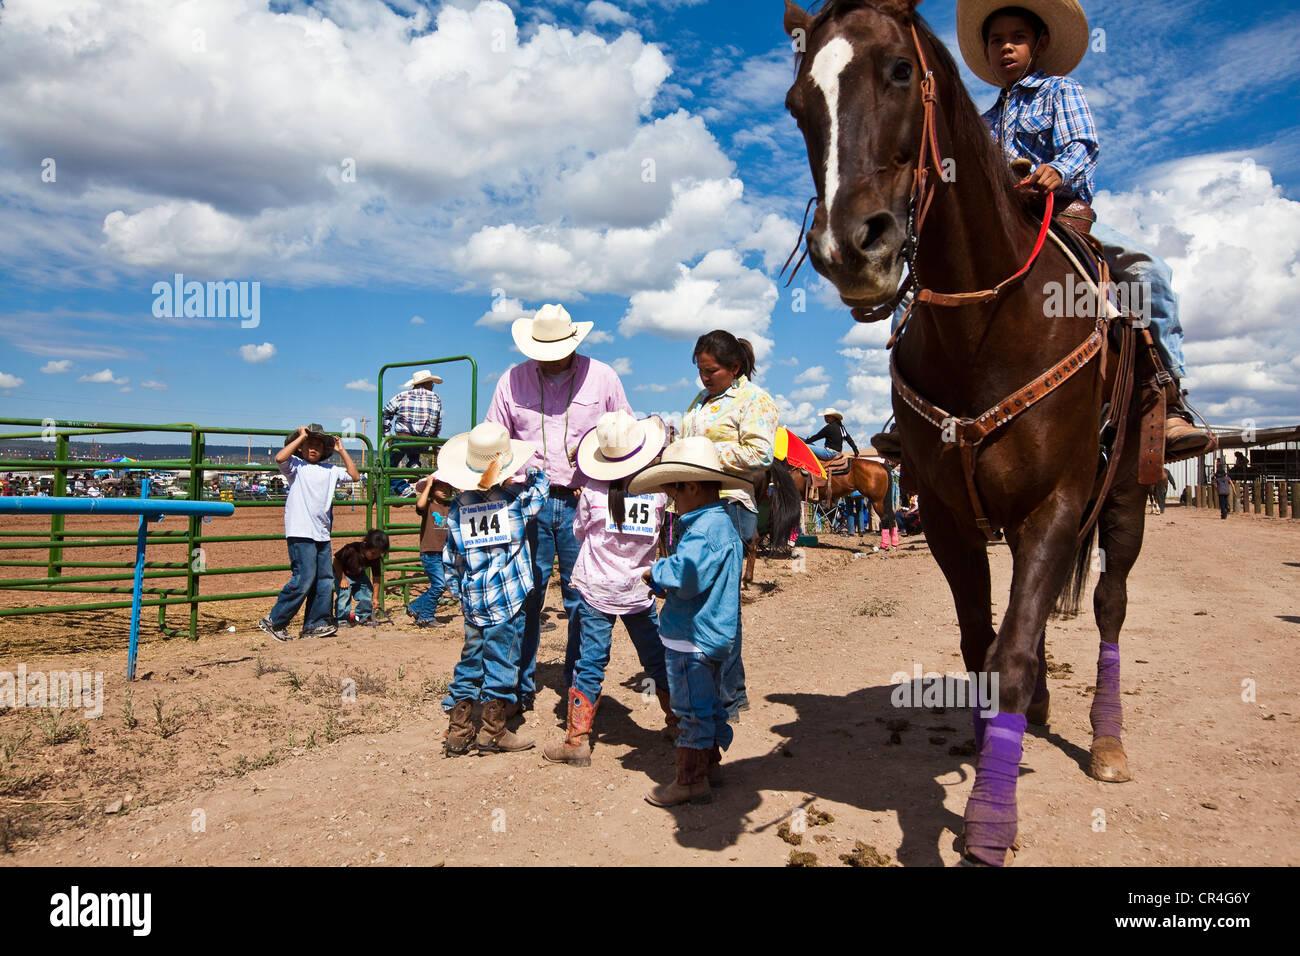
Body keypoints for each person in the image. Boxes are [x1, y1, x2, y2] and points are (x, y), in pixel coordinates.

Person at [875, 0, 1216, 465]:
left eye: (1016, 38)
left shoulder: (1060, 91)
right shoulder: (983, 121)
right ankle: (907, 412)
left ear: (1040, 44)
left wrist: (1058, 169)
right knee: (919, 289)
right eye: (996, 41)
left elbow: (1083, 145)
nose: (1005, 48)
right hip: (998, 227)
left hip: (1059, 212)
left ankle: (1169, 395)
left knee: (1147, 270)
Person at [486, 304, 633, 711]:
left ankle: (578, 688)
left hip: (583, 501)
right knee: (522, 595)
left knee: (583, 598)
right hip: (524, 502)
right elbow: (495, 439)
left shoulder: (603, 378)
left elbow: (627, 436)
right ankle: (515, 689)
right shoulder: (511, 381)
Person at [543, 411, 675, 767]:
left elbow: (580, 533)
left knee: (591, 661)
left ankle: (577, 741)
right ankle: (679, 724)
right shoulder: (658, 496)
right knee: (656, 659)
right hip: (639, 590)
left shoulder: (593, 494)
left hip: (598, 590)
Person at [631, 437, 747, 806]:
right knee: (707, 703)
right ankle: (709, 765)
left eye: (674, 493)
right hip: (715, 634)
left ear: (692, 487)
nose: (671, 501)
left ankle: (691, 779)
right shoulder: (722, 524)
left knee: (690, 710)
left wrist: (655, 572)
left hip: (690, 636)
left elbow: (688, 574)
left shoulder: (702, 530)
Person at [681, 330, 779, 721]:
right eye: (700, 371)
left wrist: (702, 454)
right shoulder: (699, 402)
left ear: (734, 368)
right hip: (694, 509)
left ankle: (725, 697)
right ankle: (728, 692)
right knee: (702, 604)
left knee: (720, 607)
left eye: (711, 371)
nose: (704, 378)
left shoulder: (755, 401)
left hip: (728, 509)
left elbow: (759, 453)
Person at [438, 422, 548, 756]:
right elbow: (542, 488)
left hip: (475, 600)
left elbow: (451, 558)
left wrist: (458, 591)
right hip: (508, 600)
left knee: (470, 661)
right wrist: (530, 473)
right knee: (502, 661)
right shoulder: (515, 501)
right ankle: (493, 732)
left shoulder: (458, 508)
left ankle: (458, 731)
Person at [260, 424, 360, 642]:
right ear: (301, 448)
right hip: (300, 531)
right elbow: (279, 458)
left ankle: (316, 623)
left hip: (322, 533)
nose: (313, 448)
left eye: (318, 445)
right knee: (304, 578)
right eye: (309, 444)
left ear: (325, 450)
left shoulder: (331, 471)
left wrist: (342, 451)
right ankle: (275, 619)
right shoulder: (295, 466)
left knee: (324, 580)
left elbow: (355, 476)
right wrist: (300, 436)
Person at [407, 473, 458, 627]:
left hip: (444, 553)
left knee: (441, 584)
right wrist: (428, 485)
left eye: (448, 488)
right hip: (430, 552)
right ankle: (426, 617)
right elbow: (420, 505)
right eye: (441, 487)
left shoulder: (449, 508)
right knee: (439, 585)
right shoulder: (428, 506)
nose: (445, 490)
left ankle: (415, 607)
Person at [382, 370, 443, 497]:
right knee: (415, 444)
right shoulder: (436, 398)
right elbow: (437, 424)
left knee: (385, 464)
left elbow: (385, 414)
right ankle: (414, 464)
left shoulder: (402, 396)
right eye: (431, 383)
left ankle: (403, 488)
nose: (432, 386)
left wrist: (388, 436)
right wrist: (434, 443)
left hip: (403, 439)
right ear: (427, 383)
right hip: (424, 442)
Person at [333, 528, 390, 626]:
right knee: (345, 593)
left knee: (367, 590)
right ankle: (341, 619)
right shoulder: (351, 550)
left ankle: (364, 616)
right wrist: (342, 578)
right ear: (365, 545)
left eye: (378, 554)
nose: (375, 556)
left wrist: (375, 598)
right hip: (342, 573)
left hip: (359, 574)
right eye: (373, 553)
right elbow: (336, 561)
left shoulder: (375, 559)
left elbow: (376, 578)